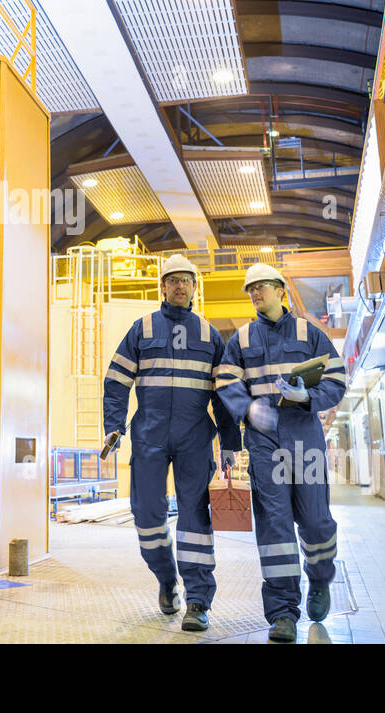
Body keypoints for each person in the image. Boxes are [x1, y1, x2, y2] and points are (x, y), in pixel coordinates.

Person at [102, 254, 241, 632]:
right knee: (147, 514)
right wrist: (113, 426)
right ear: (162, 286)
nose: (180, 286)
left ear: (195, 287)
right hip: (149, 433)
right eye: (173, 280)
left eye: (186, 280)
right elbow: (116, 380)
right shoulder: (142, 329)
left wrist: (230, 441)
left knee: (195, 520)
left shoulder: (210, 335)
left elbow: (224, 394)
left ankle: (197, 600)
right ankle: (166, 579)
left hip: (194, 437)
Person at [214, 263, 347, 643]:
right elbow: (225, 380)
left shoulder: (310, 333)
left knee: (317, 522)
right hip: (263, 440)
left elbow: (337, 377)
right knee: (275, 527)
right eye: (251, 289)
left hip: (304, 435)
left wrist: (309, 397)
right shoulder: (240, 339)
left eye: (263, 287)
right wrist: (247, 407)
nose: (256, 294)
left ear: (280, 290)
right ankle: (283, 613)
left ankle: (320, 581)